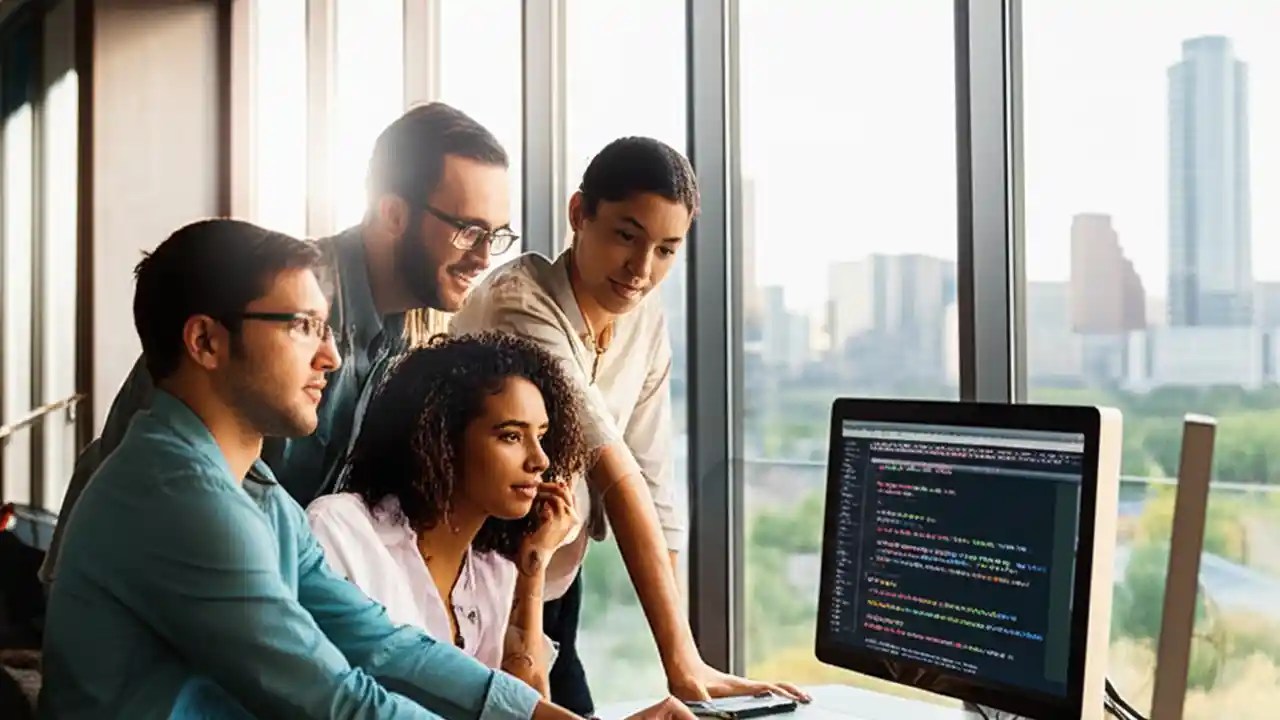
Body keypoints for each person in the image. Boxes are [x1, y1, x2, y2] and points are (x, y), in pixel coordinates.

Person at [39, 219, 693, 720]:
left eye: (327, 327)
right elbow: (334, 696)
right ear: (206, 341)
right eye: (300, 327)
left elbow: (381, 642)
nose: (329, 356)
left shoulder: (255, 492)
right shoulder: (177, 495)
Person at [39, 101, 514, 587]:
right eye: (468, 230)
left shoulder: (416, 336)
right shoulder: (275, 299)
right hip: (145, 594)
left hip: (266, 588)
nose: (483, 257)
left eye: (495, 235)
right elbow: (148, 468)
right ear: (392, 213)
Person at [449, 138, 810, 714]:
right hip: (469, 594)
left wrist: (686, 659)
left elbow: (655, 487)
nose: (642, 270)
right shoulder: (521, 303)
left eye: (667, 249)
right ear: (579, 215)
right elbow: (613, 471)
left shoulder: (644, 320)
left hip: (552, 584)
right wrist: (680, 662)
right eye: (626, 235)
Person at [307, 332, 591, 698]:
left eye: (541, 436)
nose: (541, 460)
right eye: (510, 436)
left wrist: (533, 570)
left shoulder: (494, 572)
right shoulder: (341, 531)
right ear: (442, 437)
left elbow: (525, 705)